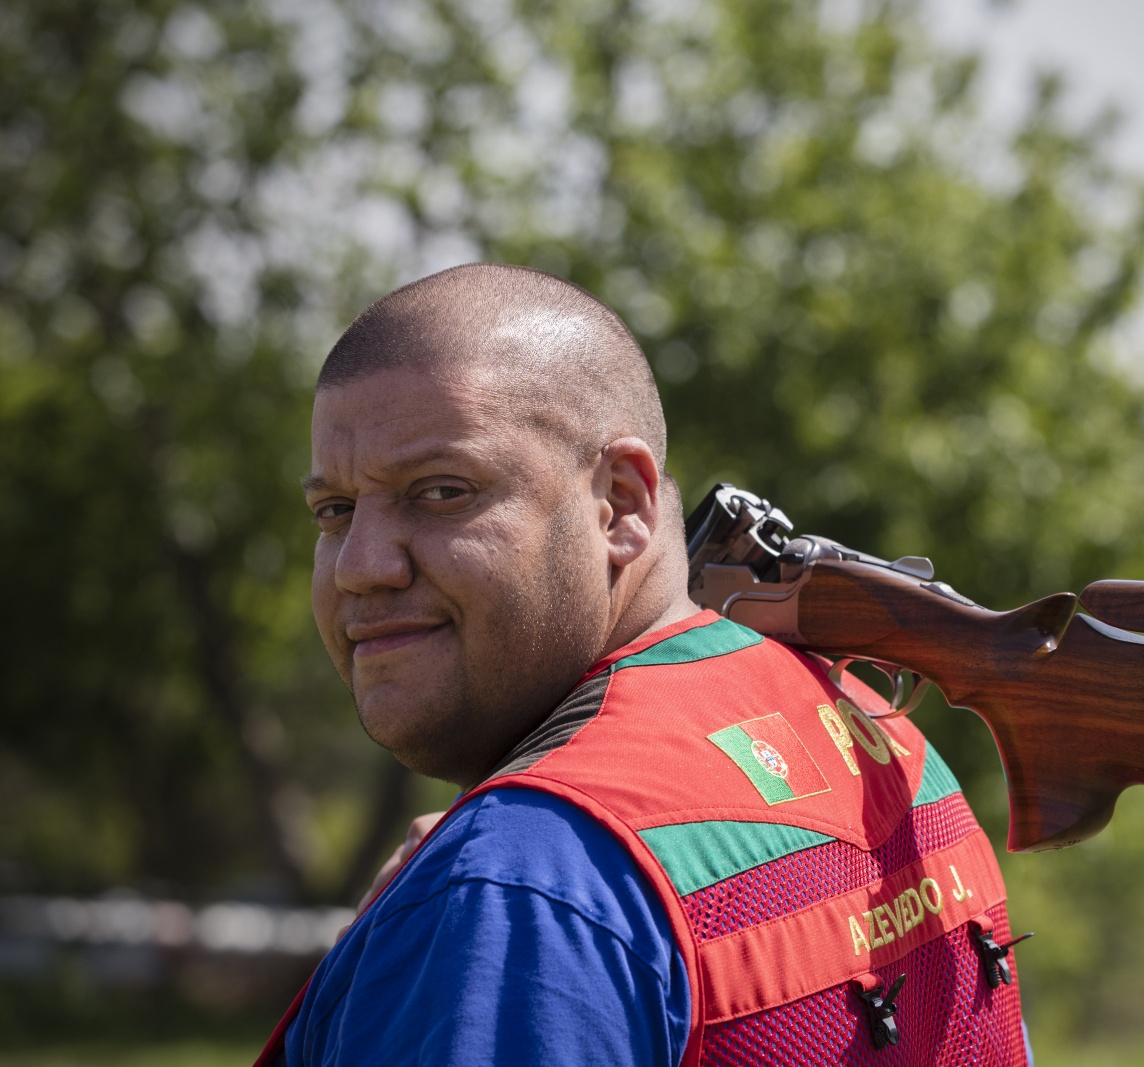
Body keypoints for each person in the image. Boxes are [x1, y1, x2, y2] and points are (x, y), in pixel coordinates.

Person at [257, 264, 1030, 1066]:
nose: (360, 564)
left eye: (442, 491)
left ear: (621, 504)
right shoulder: (881, 733)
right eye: (334, 510)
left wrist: (482, 898)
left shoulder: (513, 898)